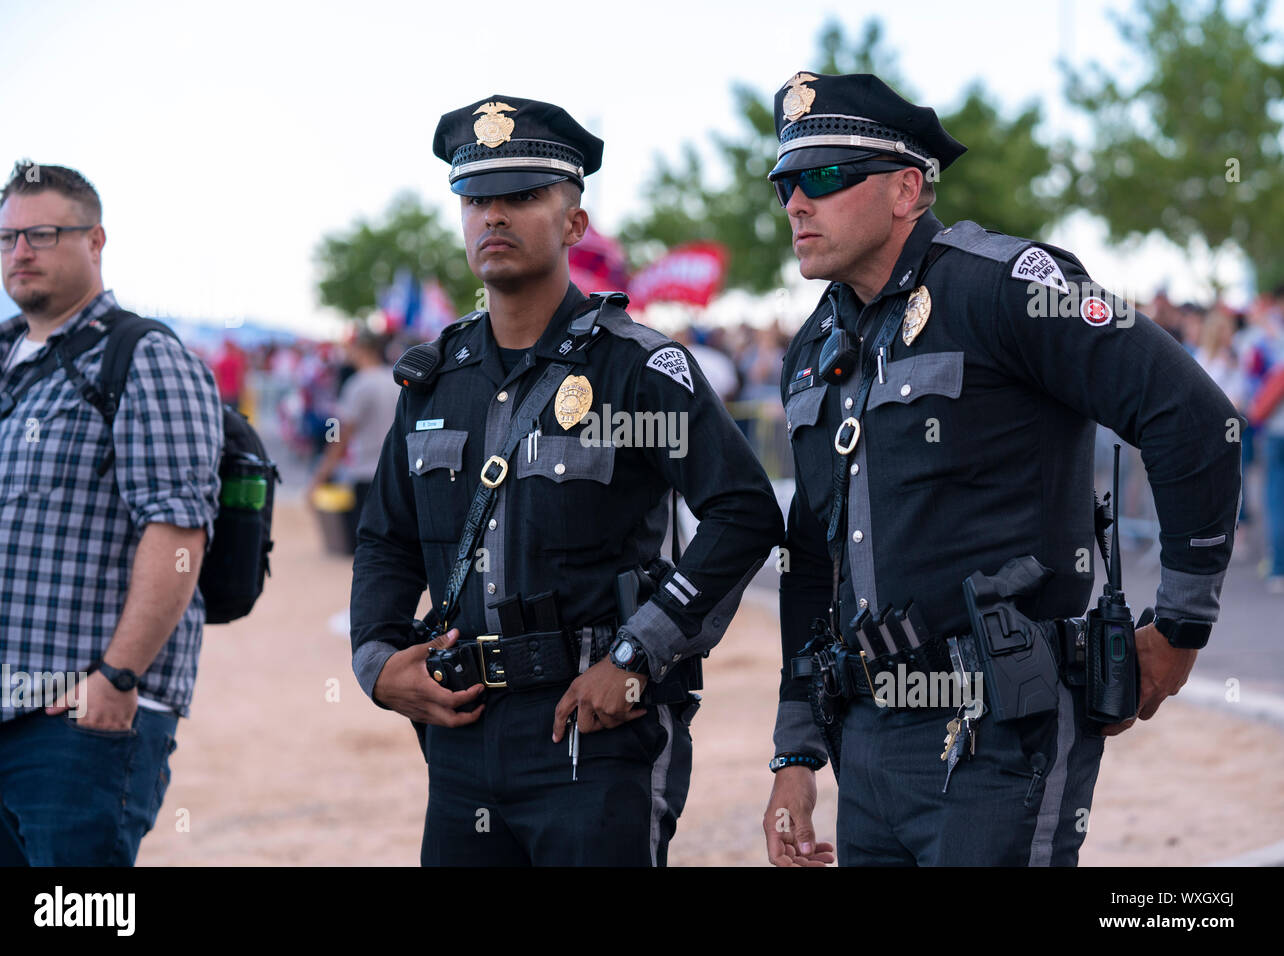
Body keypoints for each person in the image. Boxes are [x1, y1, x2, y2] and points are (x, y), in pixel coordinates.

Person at [757, 74, 1242, 867]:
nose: (796, 204)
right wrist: (795, 752)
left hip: (997, 725)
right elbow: (813, 559)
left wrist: (1181, 628)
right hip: (868, 739)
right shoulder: (814, 352)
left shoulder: (1004, 287)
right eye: (785, 184)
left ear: (907, 188)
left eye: (824, 177)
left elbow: (1193, 419)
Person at [349, 96, 783, 866]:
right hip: (460, 735)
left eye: (521, 196)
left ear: (574, 224)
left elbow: (743, 512)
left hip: (594, 734)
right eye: (477, 199)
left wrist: (637, 656)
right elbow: (386, 535)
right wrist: (378, 661)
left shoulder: (639, 367)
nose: (494, 217)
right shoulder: (433, 377)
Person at [0, 161, 224, 865]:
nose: (19, 252)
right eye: (4, 238)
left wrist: (119, 677)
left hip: (77, 718)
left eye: (42, 234)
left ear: (95, 241)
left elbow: (179, 529)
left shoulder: (144, 356)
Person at [308, 327, 398, 552]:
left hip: (365, 474)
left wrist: (320, 476)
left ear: (361, 349)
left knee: (363, 548)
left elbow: (339, 436)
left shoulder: (359, 384)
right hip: (394, 472)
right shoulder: (395, 379)